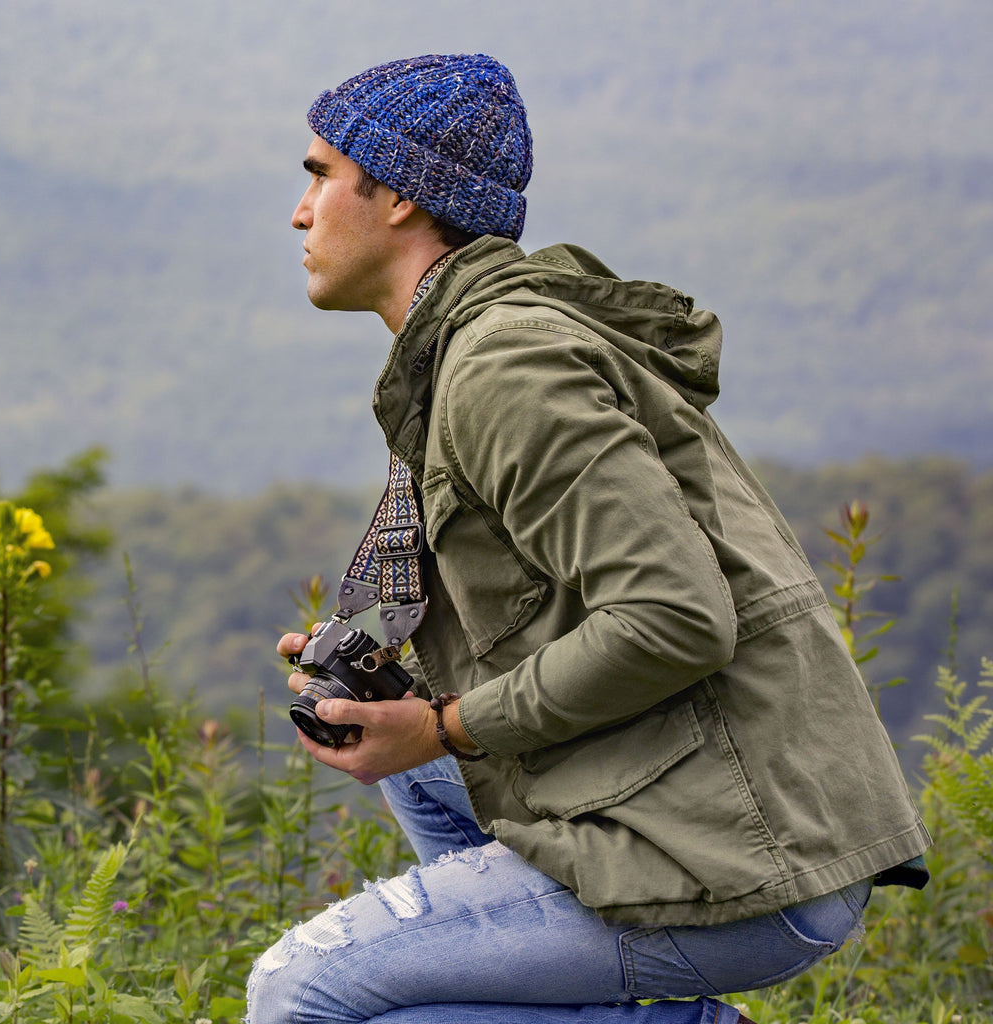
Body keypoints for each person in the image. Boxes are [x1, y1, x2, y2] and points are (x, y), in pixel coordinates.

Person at [245, 53, 930, 1024]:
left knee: (300, 990)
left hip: (744, 845)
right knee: (418, 774)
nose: (299, 212)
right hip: (689, 787)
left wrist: (444, 725)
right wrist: (401, 698)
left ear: (399, 196)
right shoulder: (464, 347)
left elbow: (676, 618)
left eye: (320, 175)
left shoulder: (504, 367)